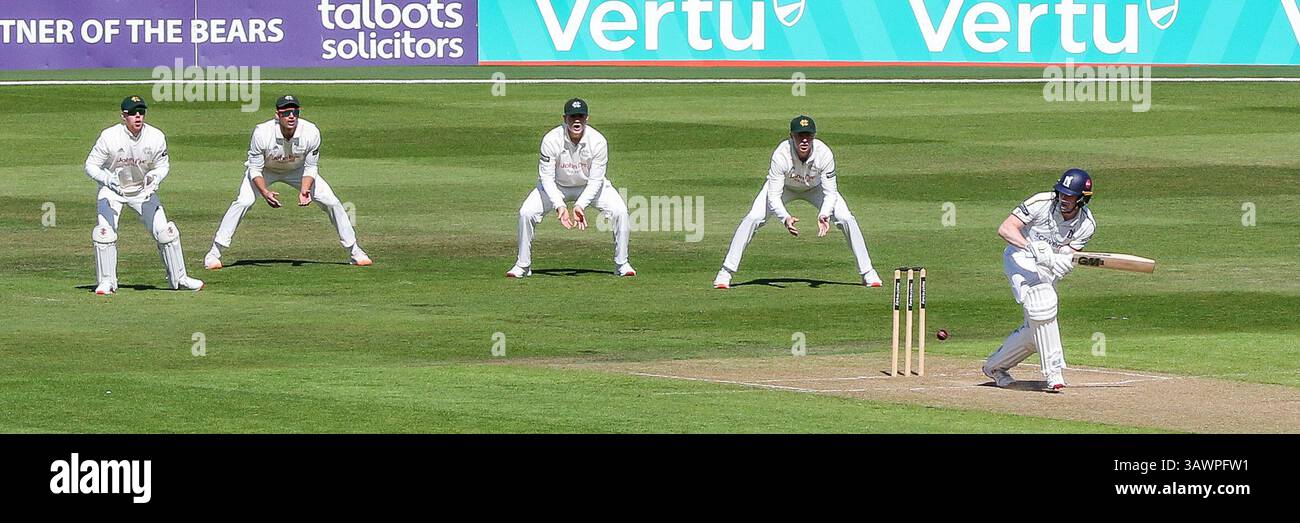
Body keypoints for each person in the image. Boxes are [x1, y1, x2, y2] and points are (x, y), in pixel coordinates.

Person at [714, 115, 882, 289]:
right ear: (791, 136)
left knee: (846, 218)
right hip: (785, 187)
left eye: (808, 135)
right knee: (753, 218)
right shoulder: (781, 154)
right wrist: (785, 218)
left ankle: (868, 272)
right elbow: (773, 196)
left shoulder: (824, 153)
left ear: (814, 136)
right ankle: (725, 273)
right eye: (799, 135)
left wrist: (824, 213)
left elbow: (831, 192)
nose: (804, 140)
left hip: (815, 188)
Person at [204, 95, 371, 269]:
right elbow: (254, 169)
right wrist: (265, 192)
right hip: (265, 171)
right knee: (244, 201)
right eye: (286, 112)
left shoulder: (311, 132)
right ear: (278, 115)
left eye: (295, 112)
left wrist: (305, 190)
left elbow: (311, 167)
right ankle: (214, 253)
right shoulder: (262, 132)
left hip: (297, 170)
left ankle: (355, 251)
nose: (291, 116)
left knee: (331, 201)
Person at [982, 169, 1097, 392]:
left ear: (1082, 198)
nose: (1064, 199)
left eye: (1070, 196)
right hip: (1019, 257)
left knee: (1037, 329)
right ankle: (1054, 372)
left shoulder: (1086, 225)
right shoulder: (1041, 202)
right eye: (1062, 194)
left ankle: (995, 366)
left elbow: (1067, 254)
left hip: (1045, 267)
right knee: (1043, 303)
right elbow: (1005, 229)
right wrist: (1030, 246)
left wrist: (1063, 264)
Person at [85, 95, 204, 295]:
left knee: (166, 233)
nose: (138, 117)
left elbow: (163, 165)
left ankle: (179, 279)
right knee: (104, 234)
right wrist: (107, 180)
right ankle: (107, 282)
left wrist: (155, 177)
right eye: (133, 113)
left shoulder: (156, 136)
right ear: (124, 116)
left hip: (143, 191)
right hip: (112, 191)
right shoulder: (109, 136)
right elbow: (90, 165)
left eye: (141, 112)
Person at [507, 98, 634, 278]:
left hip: (589, 186)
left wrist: (580, 205)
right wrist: (559, 205)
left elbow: (596, 180)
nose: (576, 120)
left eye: (580, 116)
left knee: (620, 211)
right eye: (572, 116)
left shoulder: (598, 141)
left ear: (586, 118)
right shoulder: (551, 139)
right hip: (557, 186)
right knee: (526, 213)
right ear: (565, 118)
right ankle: (523, 265)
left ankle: (622, 263)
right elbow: (546, 178)